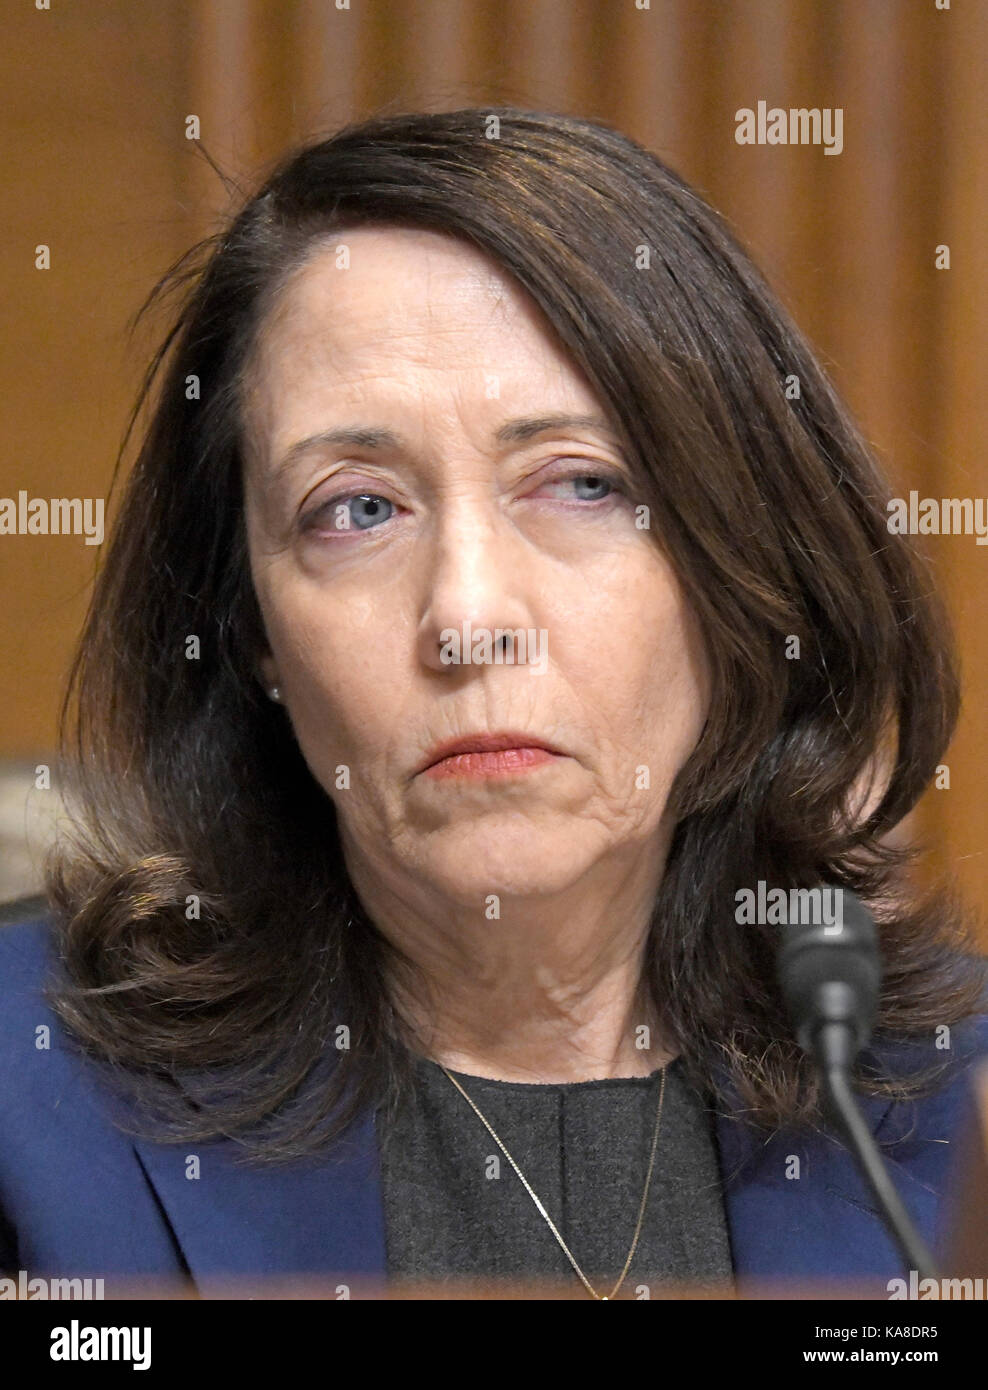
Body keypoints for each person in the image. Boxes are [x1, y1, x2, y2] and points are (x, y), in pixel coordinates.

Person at [1, 106, 985, 1300]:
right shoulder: (30, 1104)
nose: (467, 619)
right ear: (252, 627)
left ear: (739, 571)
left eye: (579, 483)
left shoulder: (945, 1101)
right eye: (356, 508)